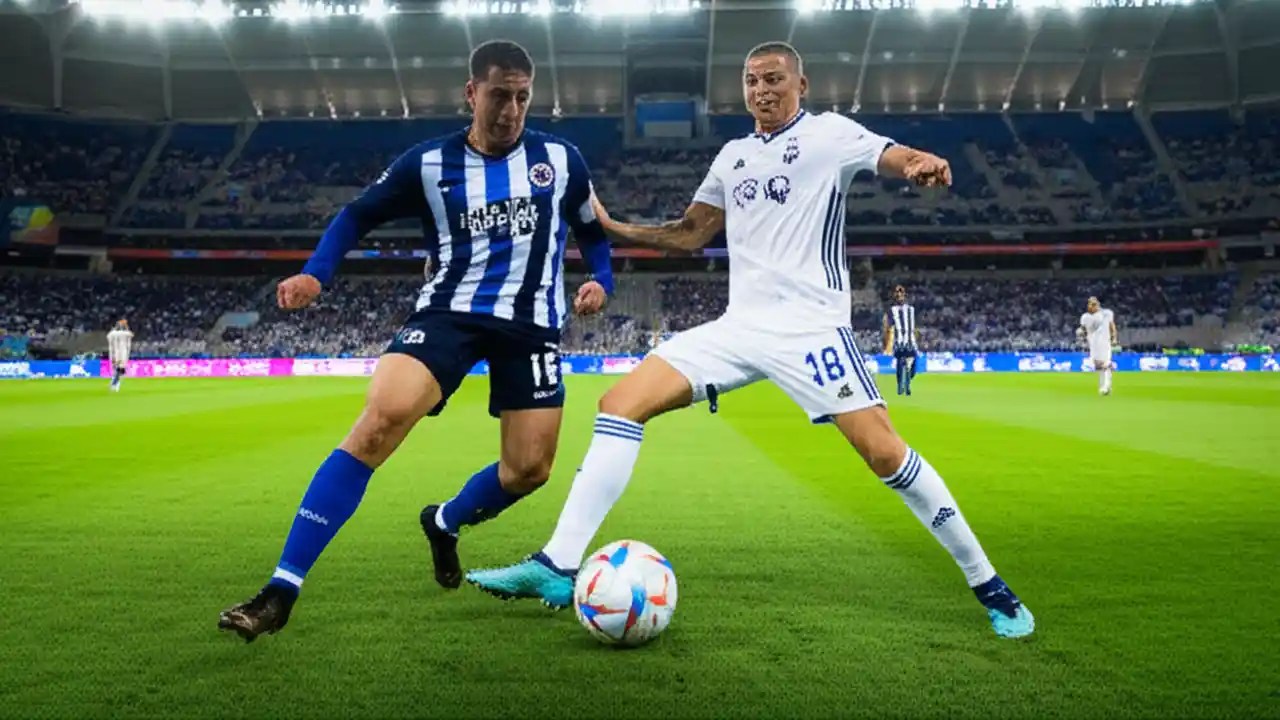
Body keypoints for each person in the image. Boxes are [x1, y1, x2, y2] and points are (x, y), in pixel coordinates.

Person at [467, 41, 1034, 639]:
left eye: (773, 79)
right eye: (751, 80)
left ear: (800, 85)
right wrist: (612, 227)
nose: (761, 90)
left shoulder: (829, 135)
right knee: (619, 405)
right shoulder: (733, 156)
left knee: (885, 453)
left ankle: (988, 583)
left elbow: (892, 155)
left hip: (811, 328)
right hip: (739, 328)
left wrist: (921, 162)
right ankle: (558, 564)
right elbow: (690, 235)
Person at [217, 39, 613, 642]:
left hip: (532, 323)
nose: (511, 110)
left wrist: (601, 281)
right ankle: (280, 589)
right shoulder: (427, 164)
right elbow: (355, 214)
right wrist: (315, 273)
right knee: (382, 417)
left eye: (523, 96)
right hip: (449, 313)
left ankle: (444, 521)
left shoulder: (562, 160)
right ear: (471, 93)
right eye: (500, 95)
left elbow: (593, 230)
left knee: (530, 469)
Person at [883, 284, 919, 396]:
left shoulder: (911, 309)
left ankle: (908, 381)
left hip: (911, 341)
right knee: (900, 363)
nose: (899, 295)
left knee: (912, 365)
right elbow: (888, 326)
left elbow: (914, 326)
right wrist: (888, 343)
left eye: (901, 293)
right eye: (897, 294)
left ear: (904, 295)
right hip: (899, 341)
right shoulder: (892, 310)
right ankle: (901, 386)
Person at [1079, 296, 1117, 395]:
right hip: (1093, 345)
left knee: (1105, 364)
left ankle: (1107, 386)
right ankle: (1103, 386)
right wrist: (1081, 335)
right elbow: (1083, 330)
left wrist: (1114, 338)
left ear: (1097, 305)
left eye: (1093, 304)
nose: (1090, 306)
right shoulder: (1085, 317)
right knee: (1098, 366)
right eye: (1089, 304)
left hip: (1104, 343)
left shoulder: (1106, 314)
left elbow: (1112, 326)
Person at [106, 319, 132, 393]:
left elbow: (109, 336)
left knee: (117, 369)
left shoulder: (112, 333)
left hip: (113, 353)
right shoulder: (125, 333)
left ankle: (114, 383)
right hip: (121, 353)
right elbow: (130, 334)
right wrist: (126, 326)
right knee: (120, 369)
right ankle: (115, 383)